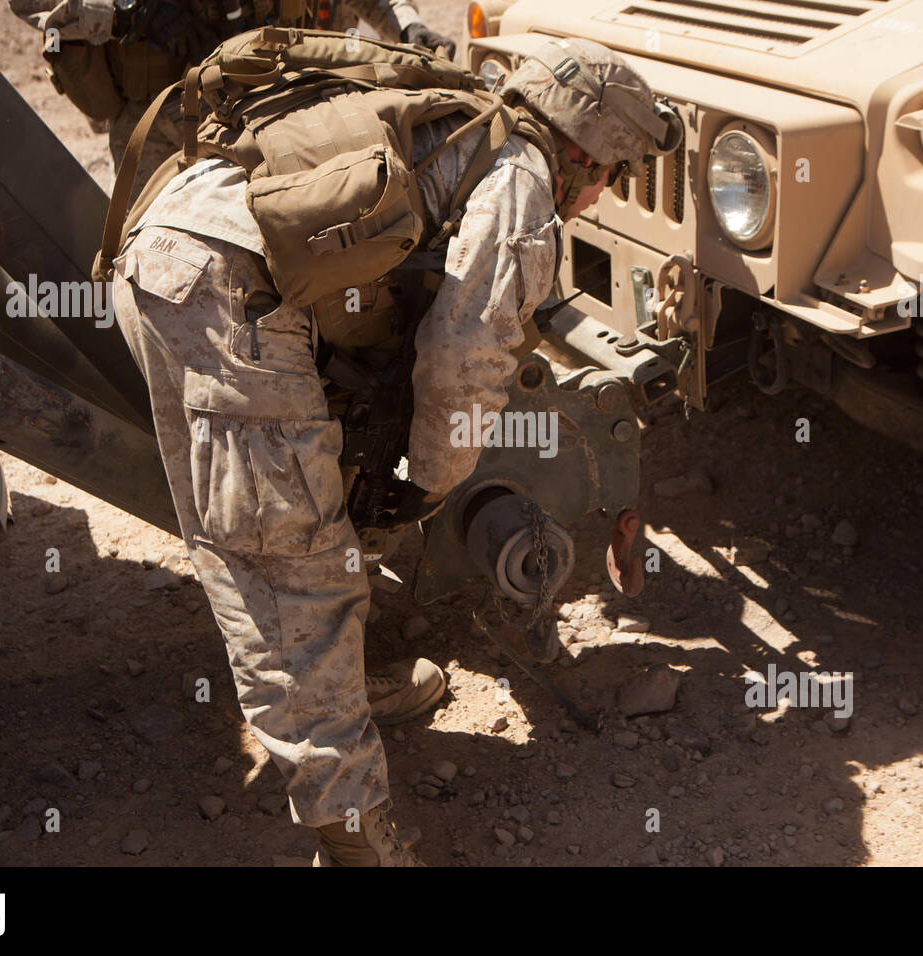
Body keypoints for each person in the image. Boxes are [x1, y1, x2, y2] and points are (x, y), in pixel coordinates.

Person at [107, 36, 680, 865]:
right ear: (588, 154)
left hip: (173, 255)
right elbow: (465, 360)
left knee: (286, 525)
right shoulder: (520, 180)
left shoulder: (455, 120)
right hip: (226, 294)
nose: (597, 196)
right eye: (608, 176)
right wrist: (430, 488)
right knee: (291, 570)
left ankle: (344, 688)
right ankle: (353, 832)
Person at [8, 0, 456, 188]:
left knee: (297, 258)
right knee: (152, 262)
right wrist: (128, 11)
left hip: (284, 110)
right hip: (162, 124)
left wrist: (406, 23)